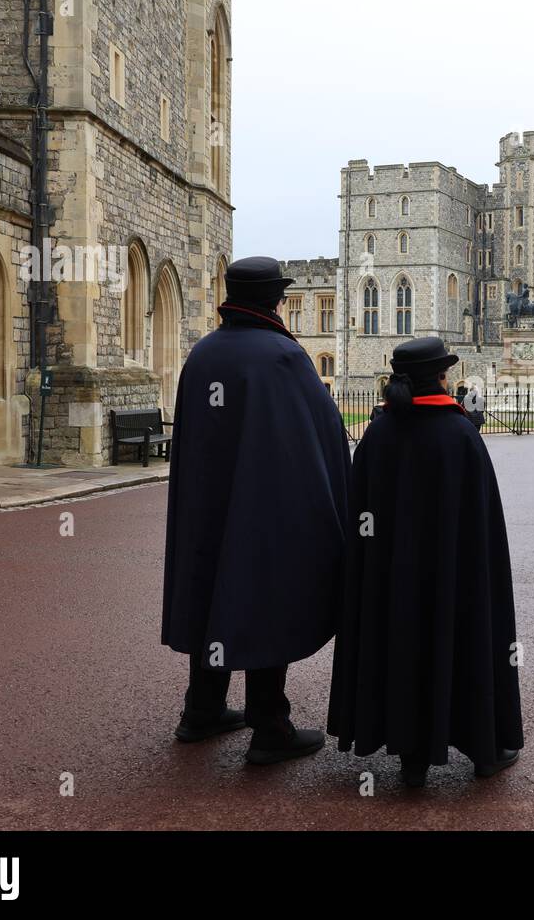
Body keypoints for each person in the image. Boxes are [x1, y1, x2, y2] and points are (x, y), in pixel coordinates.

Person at [162, 256, 351, 765]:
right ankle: (270, 726)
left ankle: (200, 711)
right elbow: (326, 433)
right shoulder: (282, 356)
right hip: (269, 508)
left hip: (208, 511)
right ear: (273, 300)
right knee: (270, 602)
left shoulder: (202, 354)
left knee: (212, 594)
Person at [327, 337, 524, 788]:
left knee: (399, 643)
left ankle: (411, 754)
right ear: (442, 376)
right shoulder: (460, 436)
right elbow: (483, 531)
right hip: (454, 579)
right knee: (465, 640)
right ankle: (484, 748)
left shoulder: (378, 435)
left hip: (390, 582)